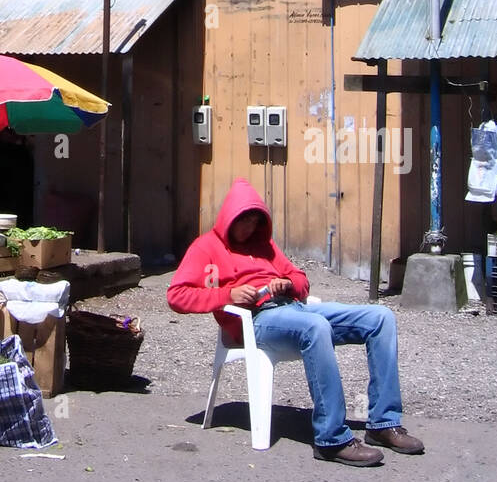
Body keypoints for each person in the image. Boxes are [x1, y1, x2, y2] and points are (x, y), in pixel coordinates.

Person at [167, 180, 424, 467]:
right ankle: (332, 438)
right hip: (257, 321)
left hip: (293, 308)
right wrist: (229, 294)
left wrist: (286, 284)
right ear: (229, 218)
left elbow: (300, 278)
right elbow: (177, 296)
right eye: (244, 222)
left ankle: (383, 424)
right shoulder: (206, 247)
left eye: (254, 222)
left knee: (380, 318)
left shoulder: (265, 245)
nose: (249, 229)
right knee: (316, 326)